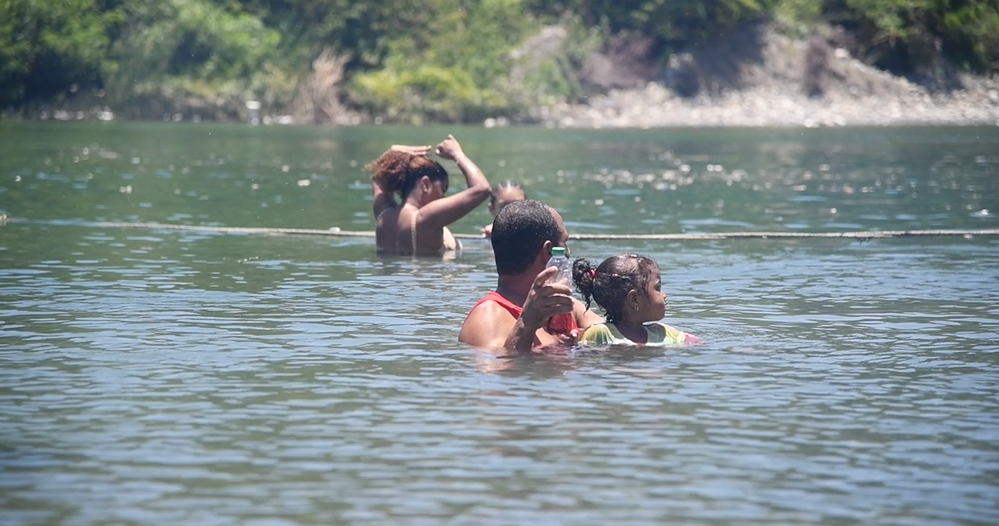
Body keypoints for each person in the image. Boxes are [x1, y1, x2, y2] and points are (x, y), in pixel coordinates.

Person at [459, 199, 604, 353]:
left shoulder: (563, 305)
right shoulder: (487, 318)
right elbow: (499, 371)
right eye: (564, 243)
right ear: (549, 251)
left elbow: (614, 335)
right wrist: (526, 324)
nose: (569, 252)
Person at [368, 135, 491, 256]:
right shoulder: (426, 219)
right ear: (425, 184)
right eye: (443, 189)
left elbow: (378, 177)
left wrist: (392, 153)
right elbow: (482, 188)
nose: (443, 197)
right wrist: (457, 154)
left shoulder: (383, 213)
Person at [571, 254, 700, 346]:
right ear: (634, 299)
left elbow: (696, 343)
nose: (664, 295)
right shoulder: (601, 333)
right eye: (658, 288)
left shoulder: (662, 332)